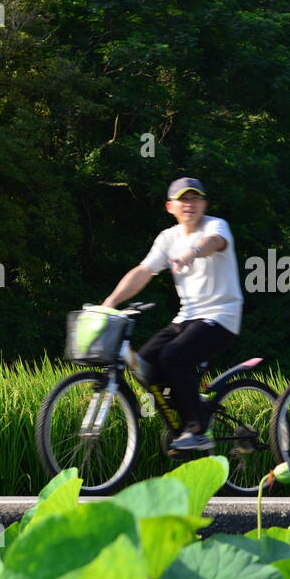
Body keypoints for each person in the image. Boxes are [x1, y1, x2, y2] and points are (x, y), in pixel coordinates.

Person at [102, 177, 243, 451]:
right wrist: (110, 302)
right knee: (143, 363)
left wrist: (193, 251)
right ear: (170, 207)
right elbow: (143, 272)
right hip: (186, 318)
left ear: (204, 204)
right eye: (183, 199)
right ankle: (189, 406)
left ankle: (197, 429)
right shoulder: (168, 238)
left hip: (221, 317)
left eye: (195, 198)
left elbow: (215, 242)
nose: (189, 204)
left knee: (173, 355)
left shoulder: (216, 226)